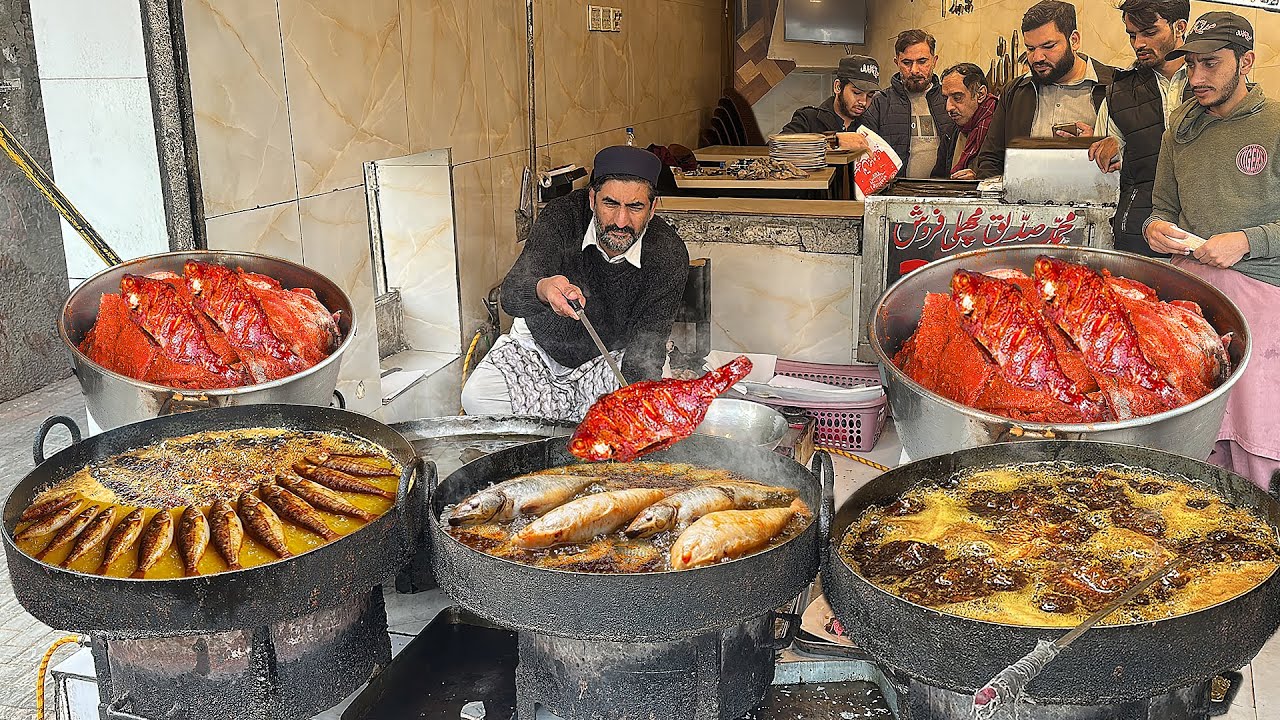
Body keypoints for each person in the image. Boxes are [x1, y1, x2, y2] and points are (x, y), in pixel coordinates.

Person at [1142, 12, 1280, 490]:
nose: (1197, 78)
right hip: (1192, 287)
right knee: (1185, 430)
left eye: (1211, 65)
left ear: (1247, 62)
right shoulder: (1180, 127)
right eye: (1192, 65)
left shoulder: (1277, 124)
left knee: (1253, 434)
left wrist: (1247, 241)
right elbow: (1161, 208)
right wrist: (1156, 229)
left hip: (1264, 290)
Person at [460, 146, 690, 422]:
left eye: (635, 207)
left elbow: (647, 348)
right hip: (539, 352)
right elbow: (510, 296)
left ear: (652, 209)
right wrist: (543, 289)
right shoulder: (563, 216)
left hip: (608, 359)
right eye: (610, 204)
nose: (621, 221)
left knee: (645, 413)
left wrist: (632, 408)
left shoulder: (668, 254)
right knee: (477, 396)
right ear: (592, 199)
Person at [1089, 0, 1190, 257]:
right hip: (1139, 236)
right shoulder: (1118, 94)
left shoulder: (1209, 86)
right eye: (1132, 35)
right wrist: (1111, 152)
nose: (1138, 44)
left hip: (1203, 234)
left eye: (1149, 32)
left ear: (1180, 27)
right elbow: (1106, 175)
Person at [974, 0, 1118, 178]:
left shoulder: (1115, 85)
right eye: (1030, 48)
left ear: (1074, 40)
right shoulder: (1015, 91)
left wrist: (1096, 141)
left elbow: (1138, 157)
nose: (1037, 57)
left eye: (1048, 46)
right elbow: (990, 159)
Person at [858, 29, 955, 179]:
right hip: (894, 192)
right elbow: (865, 156)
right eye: (907, 63)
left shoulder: (949, 101)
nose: (914, 70)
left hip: (942, 192)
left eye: (922, 62)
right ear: (896, 62)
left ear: (934, 61)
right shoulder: (880, 103)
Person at [780, 54, 881, 138]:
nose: (863, 102)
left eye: (870, 95)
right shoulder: (808, 120)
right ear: (838, 87)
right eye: (857, 93)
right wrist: (834, 142)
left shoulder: (871, 127)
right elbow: (773, 149)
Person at [938, 63, 999, 180]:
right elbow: (938, 177)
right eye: (946, 98)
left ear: (980, 94)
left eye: (957, 97)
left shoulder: (1001, 128)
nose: (948, 107)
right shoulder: (951, 131)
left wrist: (978, 181)